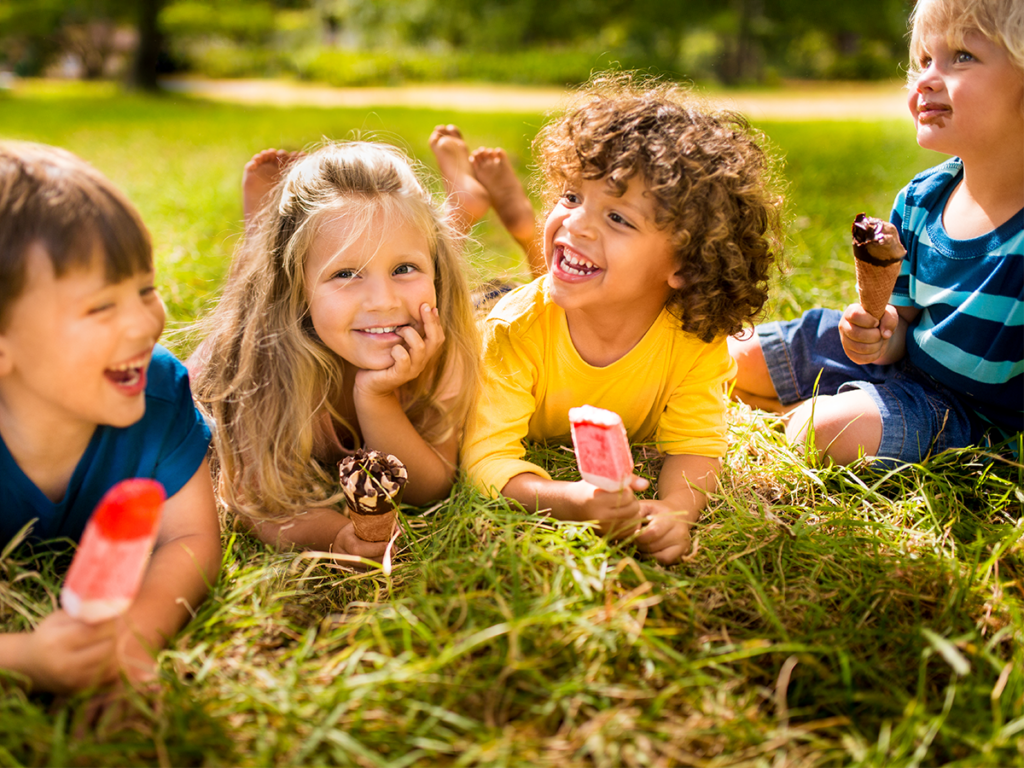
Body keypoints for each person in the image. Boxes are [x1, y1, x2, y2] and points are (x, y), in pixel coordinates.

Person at [459, 73, 785, 565]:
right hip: (481, 313)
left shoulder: (695, 340)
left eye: (618, 219)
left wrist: (677, 510)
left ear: (685, 263)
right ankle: (478, 205)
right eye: (571, 197)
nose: (576, 223)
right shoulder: (514, 330)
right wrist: (573, 503)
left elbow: (696, 445)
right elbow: (485, 459)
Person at [729, 0, 1024, 465]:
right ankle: (806, 402)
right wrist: (878, 334)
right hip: (901, 364)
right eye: (925, 59)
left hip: (967, 412)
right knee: (730, 358)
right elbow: (902, 324)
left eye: (962, 57)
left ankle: (806, 412)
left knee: (823, 431)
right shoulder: (922, 197)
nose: (926, 78)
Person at [0, 142, 221, 694]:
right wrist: (24, 655)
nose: (144, 325)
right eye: (102, 307)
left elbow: (189, 536)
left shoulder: (161, 394)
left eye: (145, 290)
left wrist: (135, 637)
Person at [191, 141, 480, 557]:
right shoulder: (265, 361)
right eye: (346, 273)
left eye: (404, 268)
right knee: (251, 298)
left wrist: (376, 397)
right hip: (230, 372)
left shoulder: (440, 340)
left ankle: (271, 230)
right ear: (297, 288)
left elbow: (430, 487)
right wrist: (335, 534)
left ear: (437, 271)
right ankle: (259, 231)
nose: (382, 300)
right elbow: (258, 504)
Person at [428, 125, 546, 279]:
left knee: (426, 290)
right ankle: (533, 238)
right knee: (562, 296)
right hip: (529, 301)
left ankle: (458, 214)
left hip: (468, 302)